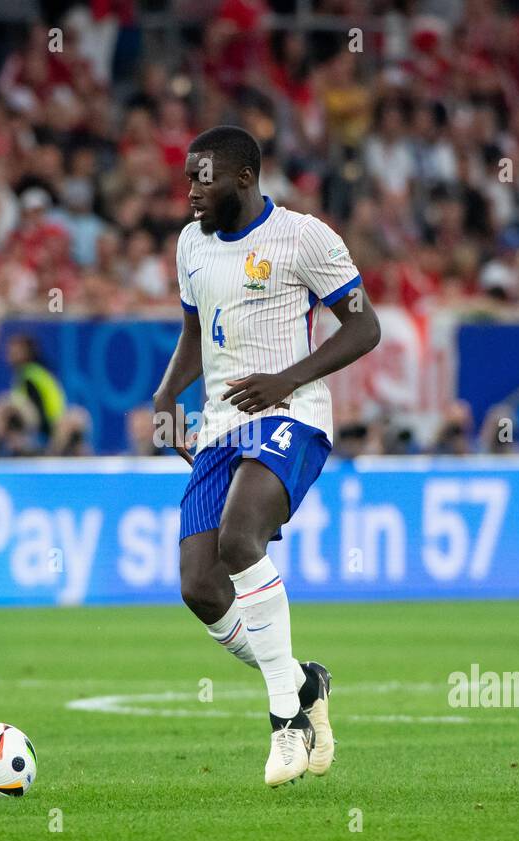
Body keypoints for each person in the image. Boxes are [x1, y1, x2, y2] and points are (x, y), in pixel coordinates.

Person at [154, 126, 381, 787]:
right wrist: (169, 393)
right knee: (199, 583)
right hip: (221, 424)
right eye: (189, 178)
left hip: (291, 414)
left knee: (239, 538)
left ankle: (286, 722)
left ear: (245, 179)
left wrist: (288, 380)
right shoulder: (190, 244)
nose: (193, 191)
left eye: (206, 178)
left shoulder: (306, 238)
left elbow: (365, 325)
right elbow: (196, 330)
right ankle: (306, 683)